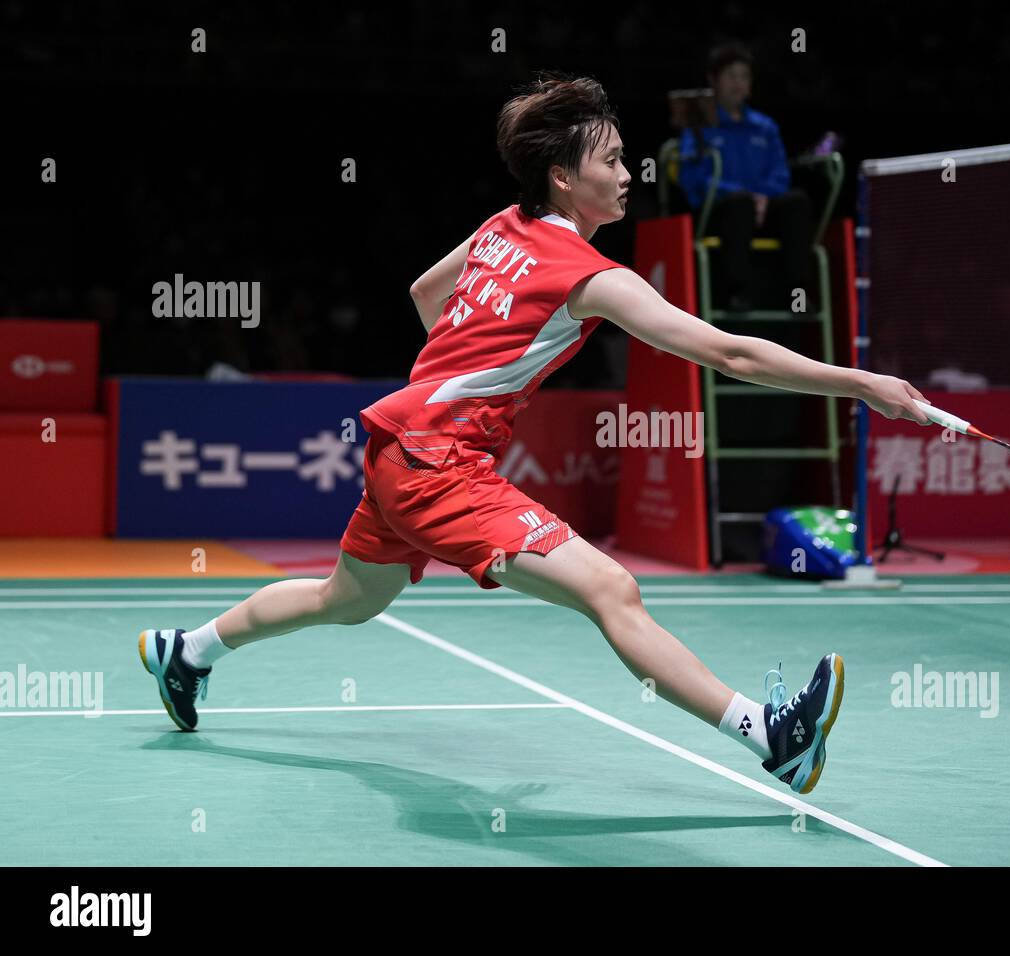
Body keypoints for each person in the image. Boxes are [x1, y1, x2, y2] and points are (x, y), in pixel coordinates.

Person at [137, 74, 931, 795]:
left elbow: (425, 294)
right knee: (611, 590)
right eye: (613, 161)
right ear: (564, 176)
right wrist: (861, 384)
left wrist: (463, 375)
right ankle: (775, 737)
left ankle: (189, 651)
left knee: (345, 598)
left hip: (398, 446)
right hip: (438, 463)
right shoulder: (592, 277)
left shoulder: (501, 227)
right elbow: (727, 352)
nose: (628, 175)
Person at [677, 42, 813, 312]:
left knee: (797, 201)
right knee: (740, 204)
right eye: (731, 76)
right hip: (721, 214)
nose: (738, 83)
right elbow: (693, 178)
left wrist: (762, 197)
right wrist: (745, 196)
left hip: (763, 210)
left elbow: (780, 173)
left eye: (744, 76)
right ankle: (737, 294)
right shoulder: (699, 124)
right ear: (713, 80)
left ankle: (798, 293)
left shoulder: (765, 127)